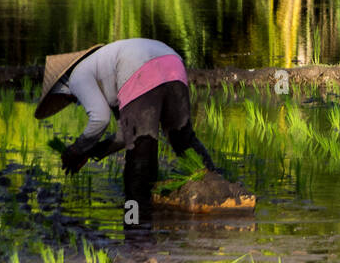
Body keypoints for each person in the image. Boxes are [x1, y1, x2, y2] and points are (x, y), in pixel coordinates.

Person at [34, 39, 217, 219]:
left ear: (61, 89)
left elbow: (100, 119)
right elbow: (124, 134)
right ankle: (217, 185)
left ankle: (135, 227)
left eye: (69, 99)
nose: (75, 101)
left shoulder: (76, 78)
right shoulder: (103, 70)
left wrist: (75, 150)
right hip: (172, 62)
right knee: (182, 138)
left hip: (139, 69)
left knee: (139, 157)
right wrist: (90, 153)